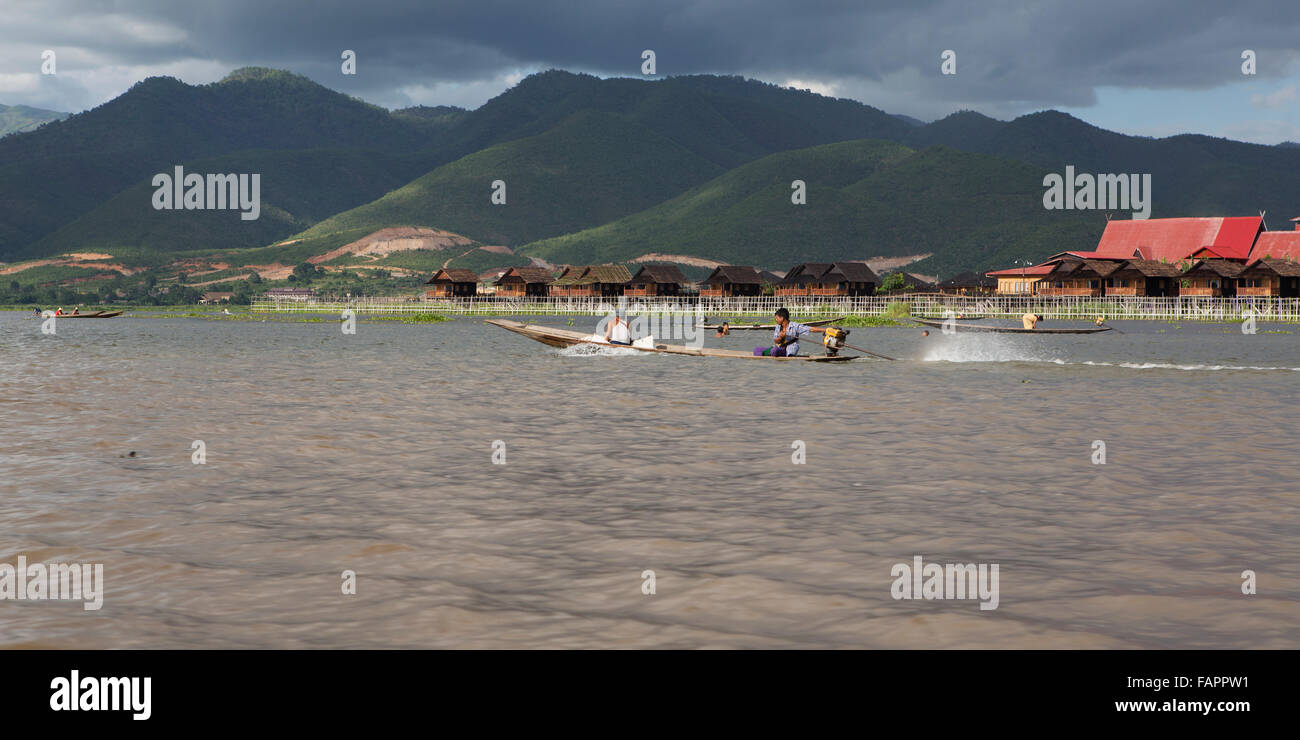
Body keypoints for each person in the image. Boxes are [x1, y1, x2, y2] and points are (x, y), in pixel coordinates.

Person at [755, 307, 828, 356]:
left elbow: (810, 329)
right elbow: (776, 341)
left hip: (790, 348)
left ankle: (773, 353)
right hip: (779, 347)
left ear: (782, 318)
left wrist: (826, 330)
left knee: (774, 351)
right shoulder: (778, 327)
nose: (776, 320)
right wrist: (780, 337)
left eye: (777, 318)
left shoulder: (794, 326)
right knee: (757, 350)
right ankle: (771, 352)